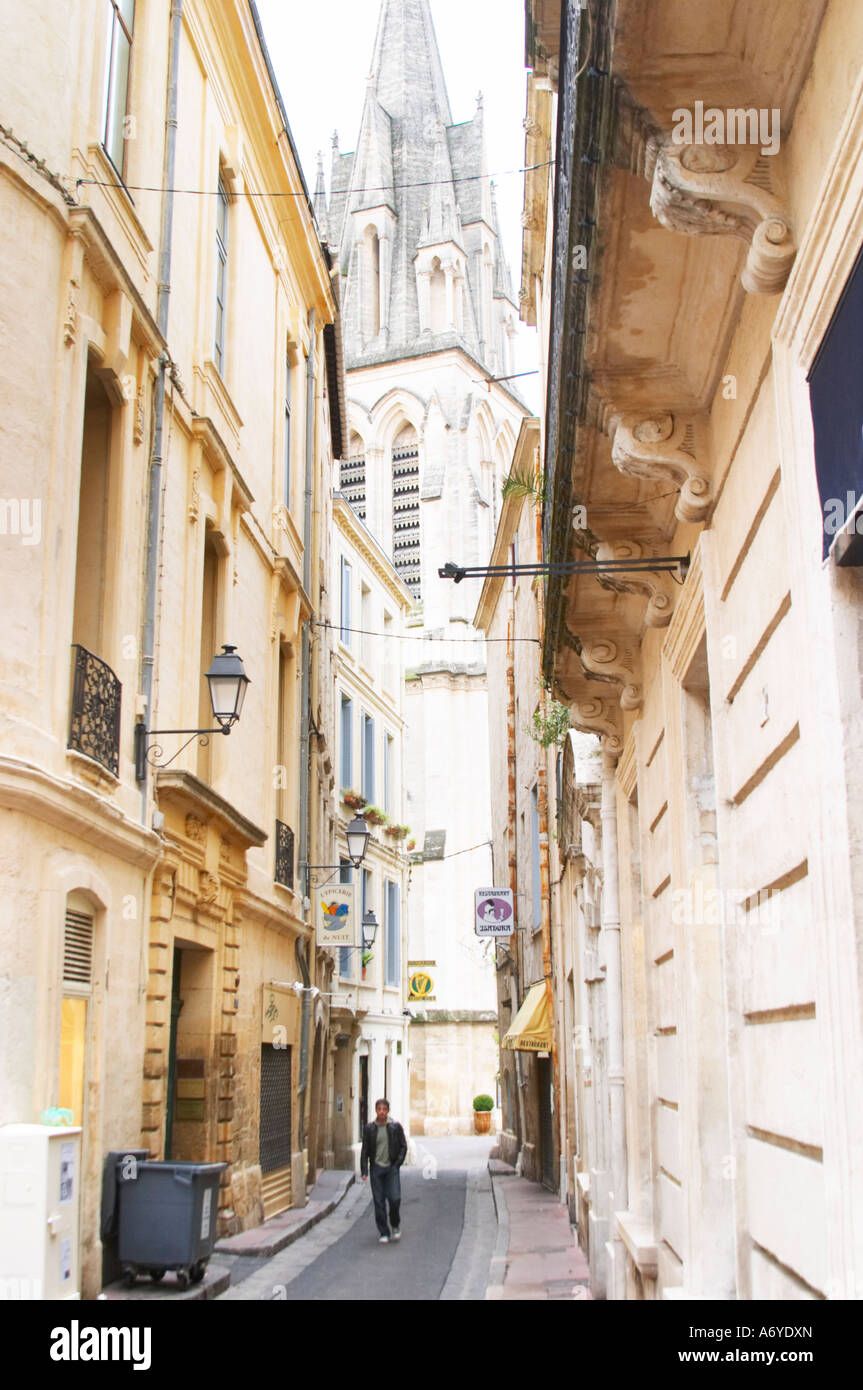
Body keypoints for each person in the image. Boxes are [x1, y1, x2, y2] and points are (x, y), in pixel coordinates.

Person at [360, 1097, 407, 1243]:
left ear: (387, 1111)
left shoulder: (395, 1127)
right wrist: (364, 1171)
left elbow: (403, 1146)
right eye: (379, 1109)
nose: (381, 1112)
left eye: (384, 1109)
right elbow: (365, 1150)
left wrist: (398, 1163)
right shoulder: (369, 1129)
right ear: (376, 1111)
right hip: (376, 1169)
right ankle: (383, 1232)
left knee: (395, 1199)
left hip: (391, 1168)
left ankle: (395, 1224)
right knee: (379, 1202)